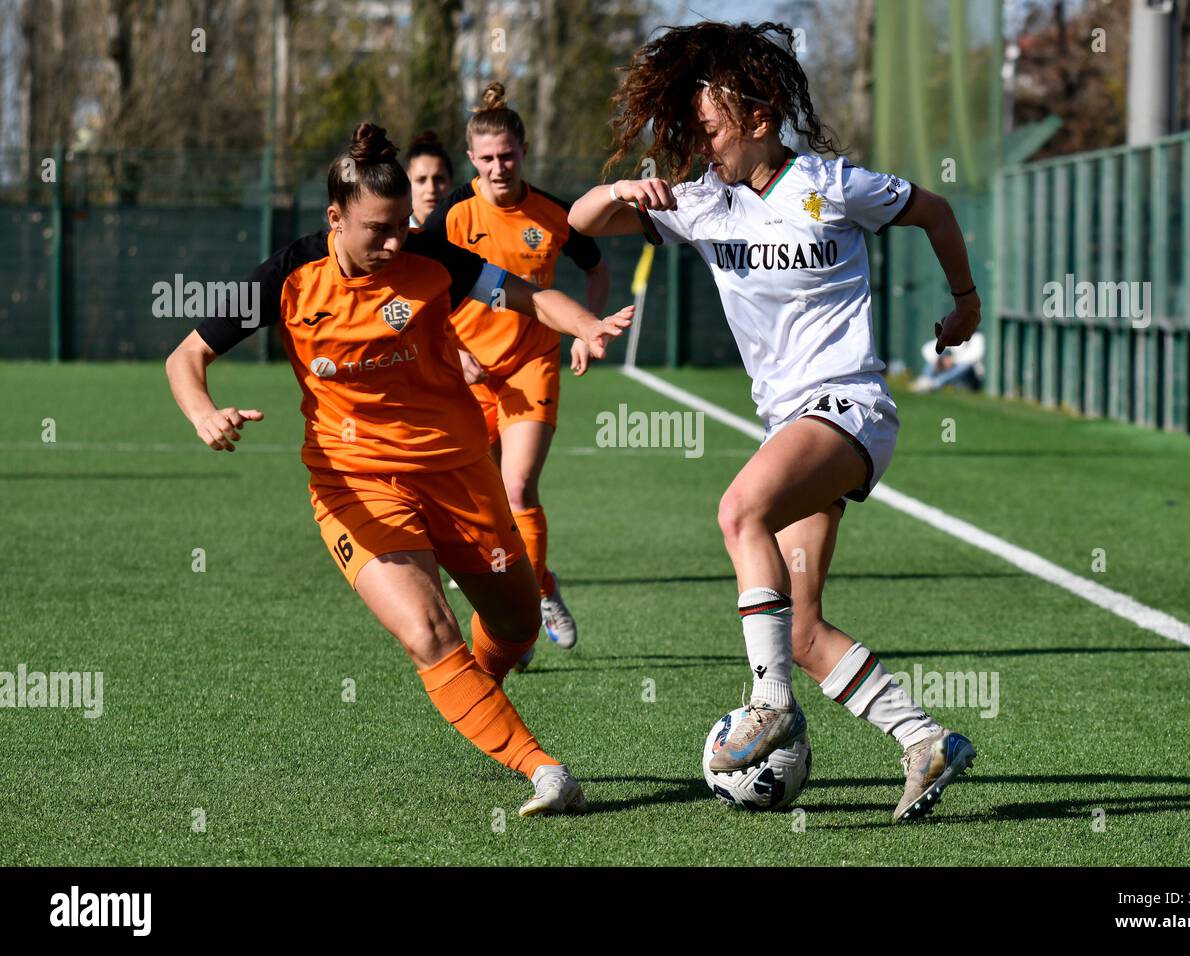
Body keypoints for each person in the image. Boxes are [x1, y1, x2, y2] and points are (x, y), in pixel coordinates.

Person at [568, 21, 981, 822]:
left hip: (849, 407)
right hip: (790, 426)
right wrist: (622, 191)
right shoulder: (703, 205)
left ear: (760, 121)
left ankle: (770, 705)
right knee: (803, 630)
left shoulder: (831, 185)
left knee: (738, 510)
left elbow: (935, 210)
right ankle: (922, 739)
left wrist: (963, 305)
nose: (702, 146)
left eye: (712, 131)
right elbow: (579, 222)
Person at [165, 123, 631, 817]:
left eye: (401, 227)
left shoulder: (432, 257)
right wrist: (203, 413)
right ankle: (543, 768)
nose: (395, 242)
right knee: (428, 632)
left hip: (458, 473)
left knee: (516, 625)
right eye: (378, 230)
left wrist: (585, 327)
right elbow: (186, 358)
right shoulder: (287, 276)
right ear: (335, 219)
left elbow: (528, 296)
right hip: (354, 483)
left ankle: (481, 700)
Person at [424, 82, 610, 659]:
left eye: (508, 155)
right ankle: (541, 586)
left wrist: (586, 327)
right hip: (466, 375)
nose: (499, 167)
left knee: (519, 486)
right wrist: (453, 353)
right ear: (472, 159)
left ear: (524, 150)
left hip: (531, 365)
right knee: (482, 505)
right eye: (487, 158)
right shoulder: (452, 215)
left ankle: (524, 614)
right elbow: (418, 289)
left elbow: (596, 269)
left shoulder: (554, 213)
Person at [405, 128, 455, 227]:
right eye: (421, 180)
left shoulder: (465, 234)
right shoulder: (392, 238)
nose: (431, 189)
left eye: (438, 179)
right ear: (406, 184)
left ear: (450, 182)